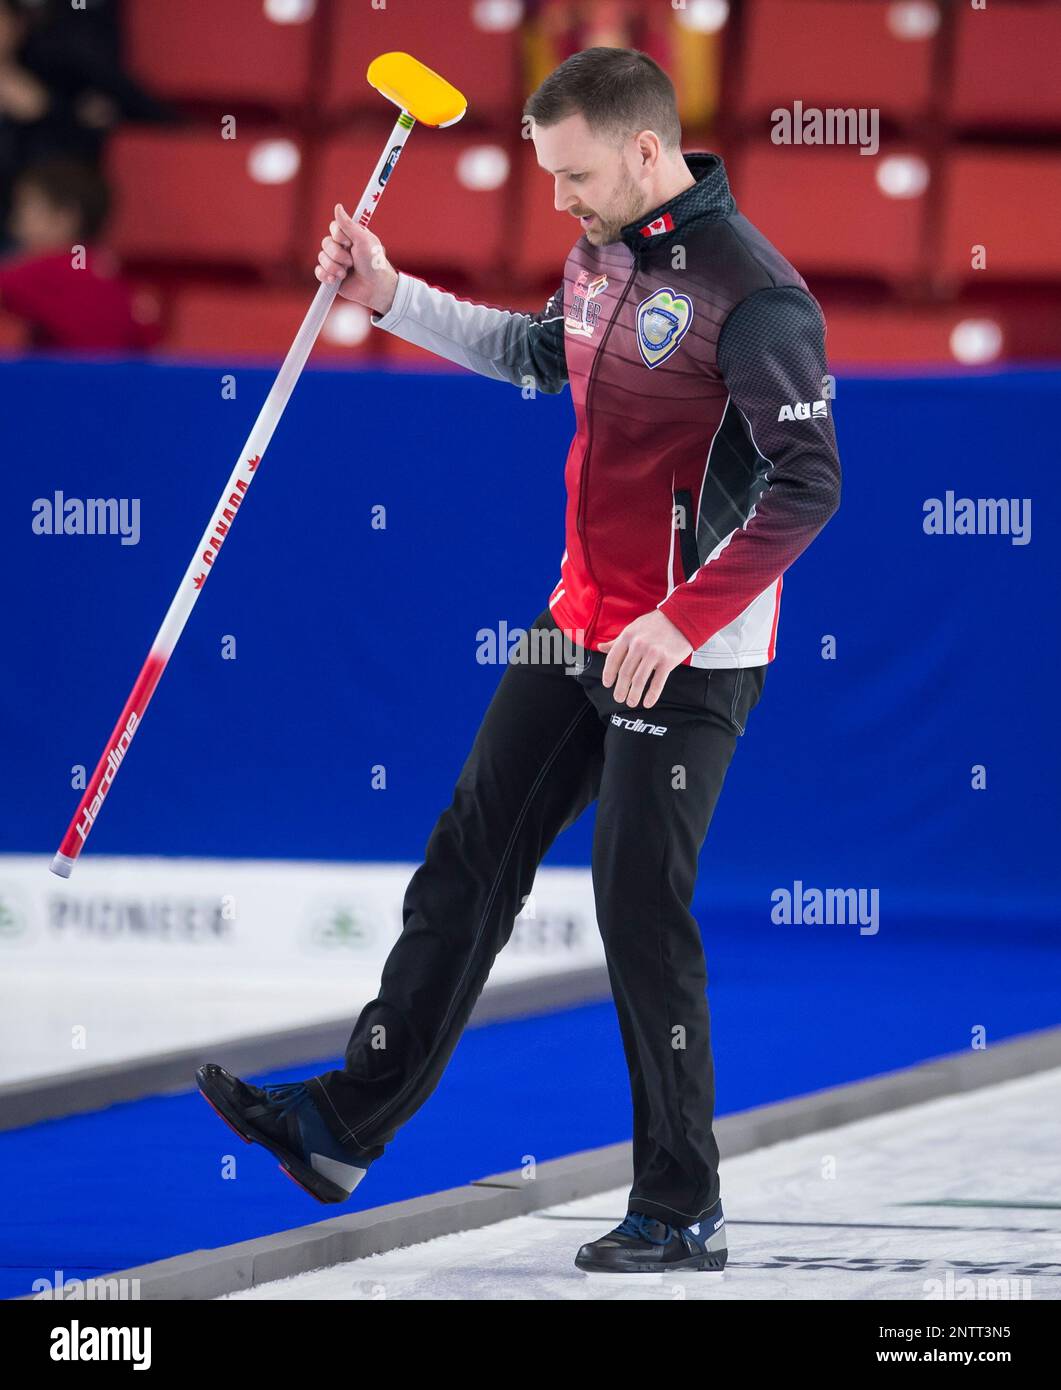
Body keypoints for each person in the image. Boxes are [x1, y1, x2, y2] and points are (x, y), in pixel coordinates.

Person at [197, 47, 842, 1276]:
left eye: (576, 175)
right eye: (550, 177)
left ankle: (682, 1201)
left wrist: (681, 618)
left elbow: (812, 482)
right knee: (468, 852)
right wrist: (389, 294)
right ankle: (344, 1122)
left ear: (647, 153)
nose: (558, 199)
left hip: (688, 649)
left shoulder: (754, 293)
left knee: (636, 910)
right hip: (578, 618)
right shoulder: (602, 248)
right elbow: (536, 356)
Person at [0, 156, 158, 349]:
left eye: (26, 209)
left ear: (65, 217)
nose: (15, 225)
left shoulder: (52, 269)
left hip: (68, 378)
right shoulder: (108, 269)